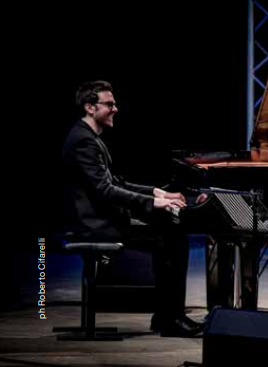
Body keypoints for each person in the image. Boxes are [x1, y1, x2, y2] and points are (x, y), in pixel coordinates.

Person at [62, 80, 206, 337]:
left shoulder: (88, 137)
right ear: (90, 107)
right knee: (172, 236)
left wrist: (156, 192)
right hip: (93, 226)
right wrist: (155, 203)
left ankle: (166, 317)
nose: (116, 108)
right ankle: (170, 320)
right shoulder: (84, 141)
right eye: (109, 104)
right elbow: (105, 191)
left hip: (100, 220)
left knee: (169, 232)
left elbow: (115, 182)